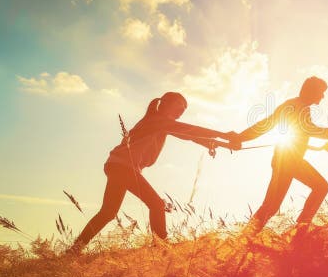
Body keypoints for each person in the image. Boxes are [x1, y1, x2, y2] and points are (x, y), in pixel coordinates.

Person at [70, 92, 237, 252]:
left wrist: (218, 143)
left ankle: (74, 250)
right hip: (123, 167)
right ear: (165, 104)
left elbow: (189, 135)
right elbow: (189, 130)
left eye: (184, 109)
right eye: (179, 106)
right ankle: (162, 247)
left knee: (107, 212)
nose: (181, 111)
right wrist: (224, 135)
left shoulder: (162, 123)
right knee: (156, 205)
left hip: (118, 165)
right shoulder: (157, 120)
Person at [236, 76, 328, 233]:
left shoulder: (297, 105)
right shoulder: (297, 106)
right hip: (288, 162)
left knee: (271, 206)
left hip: (288, 160)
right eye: (321, 92)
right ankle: (300, 230)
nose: (323, 96)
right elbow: (307, 128)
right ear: (312, 91)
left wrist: (321, 147)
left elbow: (297, 135)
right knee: (320, 187)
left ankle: (246, 238)